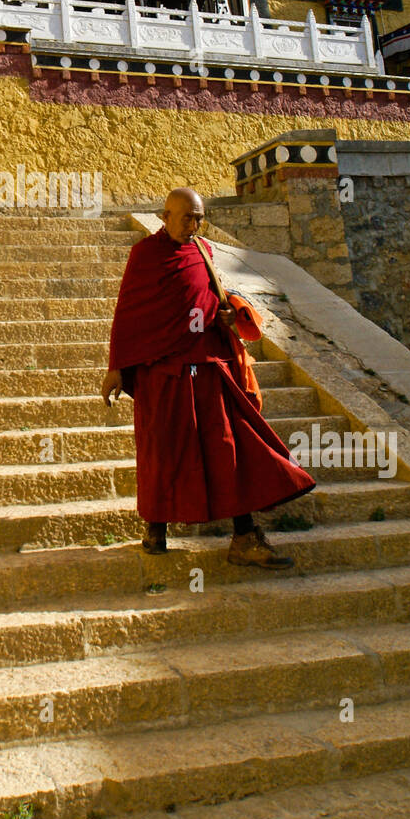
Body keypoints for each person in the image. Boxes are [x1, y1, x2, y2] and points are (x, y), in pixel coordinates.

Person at [101, 187, 316, 566]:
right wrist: (116, 366)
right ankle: (156, 529)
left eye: (199, 217)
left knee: (228, 447)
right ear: (165, 216)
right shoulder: (146, 255)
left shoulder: (204, 251)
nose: (194, 225)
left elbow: (211, 301)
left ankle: (245, 535)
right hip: (163, 373)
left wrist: (227, 316)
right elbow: (129, 311)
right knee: (163, 451)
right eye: (187, 218)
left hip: (208, 367)